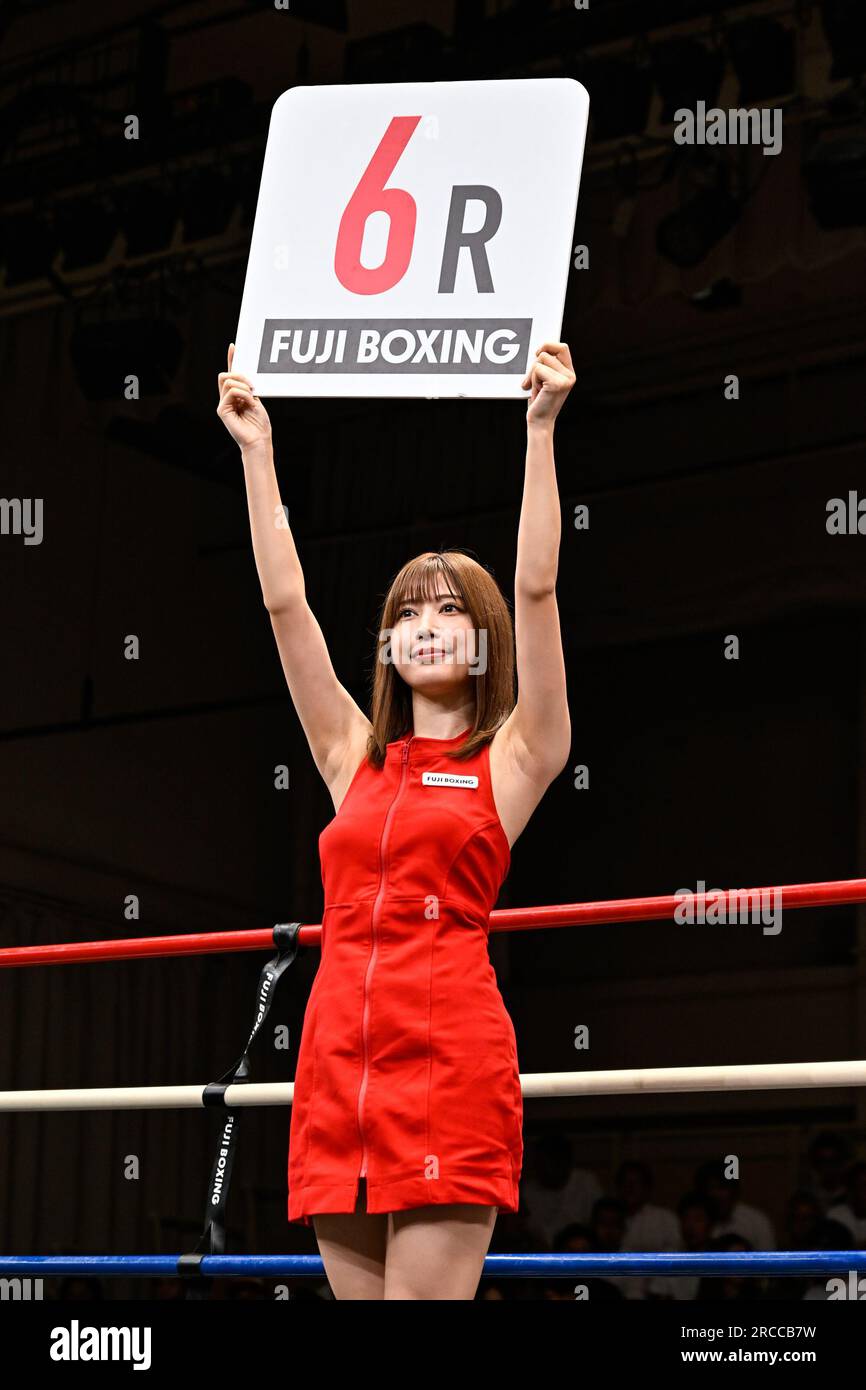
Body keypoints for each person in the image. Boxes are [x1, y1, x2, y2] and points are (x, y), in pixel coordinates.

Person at [217, 340, 575, 1299]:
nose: (424, 621)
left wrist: (539, 432)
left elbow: (536, 589)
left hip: (449, 1066)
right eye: (409, 608)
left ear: (483, 637)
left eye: (451, 609)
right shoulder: (349, 756)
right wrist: (259, 455)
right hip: (338, 1063)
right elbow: (285, 606)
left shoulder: (517, 756)